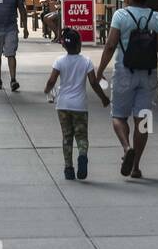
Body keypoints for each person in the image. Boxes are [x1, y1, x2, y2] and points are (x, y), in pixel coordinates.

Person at [96, 0, 158, 180]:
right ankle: (136, 166)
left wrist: (99, 71)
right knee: (143, 120)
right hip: (148, 75)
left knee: (118, 115)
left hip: (124, 72)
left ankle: (126, 147)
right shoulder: (156, 18)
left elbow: (110, 45)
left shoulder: (121, 15)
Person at [44, 27, 110, 180]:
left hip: (63, 105)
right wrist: (103, 98)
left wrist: (47, 90)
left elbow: (52, 80)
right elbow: (93, 82)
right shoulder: (86, 61)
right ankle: (82, 155)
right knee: (81, 136)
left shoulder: (59, 61)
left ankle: (68, 168)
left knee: (67, 137)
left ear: (64, 46)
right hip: (79, 106)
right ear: (79, 45)